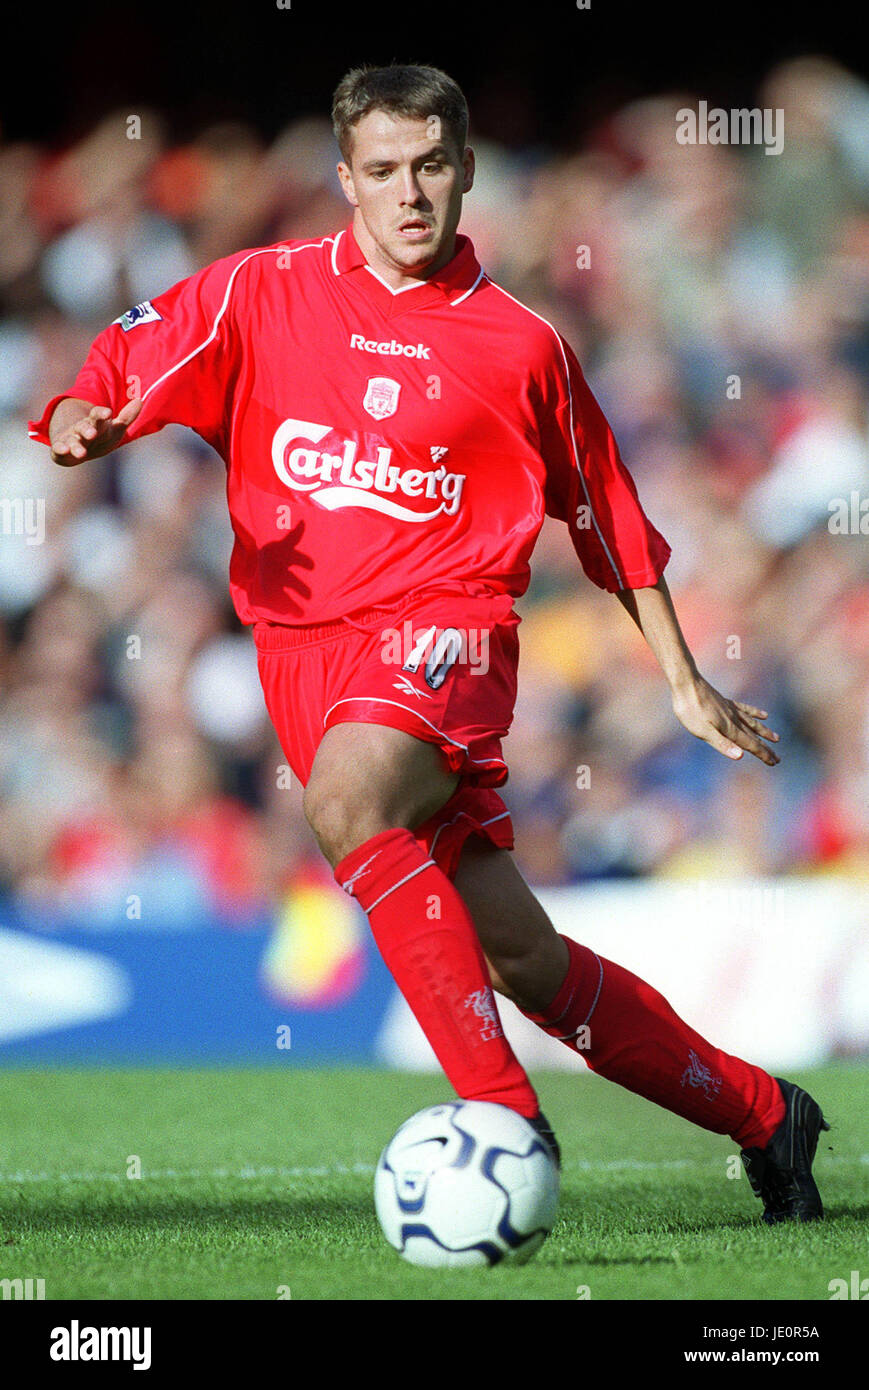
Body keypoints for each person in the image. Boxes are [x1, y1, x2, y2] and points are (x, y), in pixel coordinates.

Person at [30, 62, 828, 1221]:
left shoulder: (517, 344)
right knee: (524, 961)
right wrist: (76, 420)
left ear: (463, 171)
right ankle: (764, 1113)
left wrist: (680, 675)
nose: (409, 195)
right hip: (301, 656)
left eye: (431, 167)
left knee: (349, 799)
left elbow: (607, 510)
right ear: (345, 179)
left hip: (444, 638)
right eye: (384, 171)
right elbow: (114, 370)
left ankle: (501, 1119)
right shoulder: (258, 292)